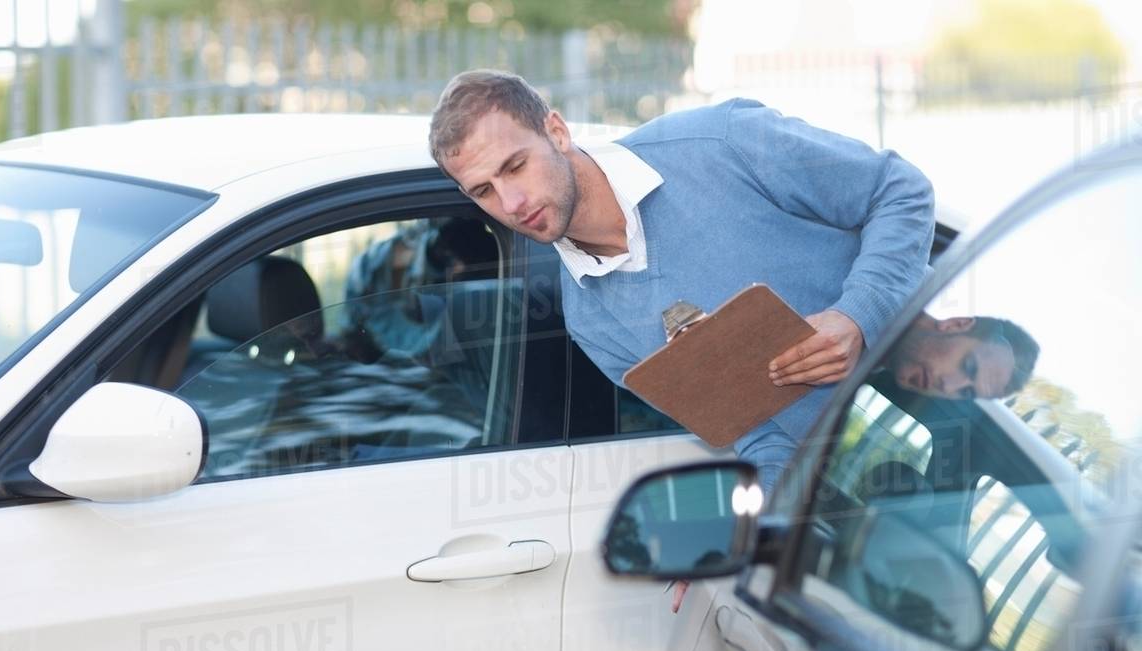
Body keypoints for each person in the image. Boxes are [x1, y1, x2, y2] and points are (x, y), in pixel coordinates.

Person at [430, 70, 936, 610]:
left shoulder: (720, 142)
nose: (510, 202)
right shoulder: (592, 322)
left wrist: (856, 315)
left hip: (956, 408)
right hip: (863, 520)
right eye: (483, 190)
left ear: (556, 131)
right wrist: (725, 534)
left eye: (515, 166)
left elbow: (900, 191)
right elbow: (761, 435)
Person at [882, 313, 1038, 400]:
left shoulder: (868, 366)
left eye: (967, 392)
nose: (948, 387)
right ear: (956, 324)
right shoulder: (888, 276)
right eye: (968, 366)